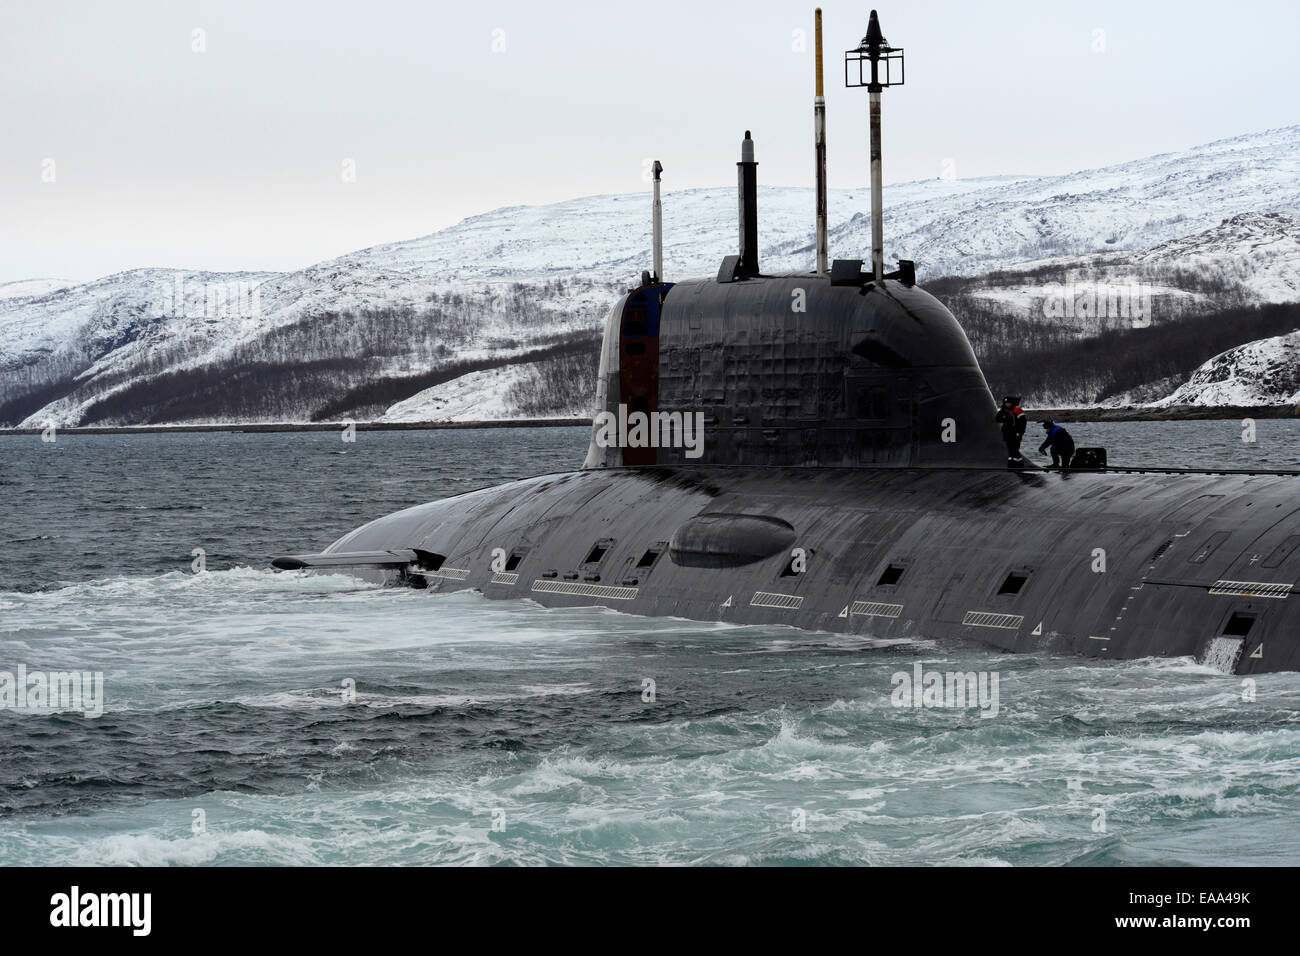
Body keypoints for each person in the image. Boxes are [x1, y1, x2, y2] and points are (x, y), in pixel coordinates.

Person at [995, 396, 1028, 467]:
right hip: (1007, 434)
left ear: (1012, 403)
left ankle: (1019, 464)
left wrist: (1020, 433)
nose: (1007, 404)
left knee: (1015, 449)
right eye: (1006, 403)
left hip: (1015, 434)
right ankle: (1011, 464)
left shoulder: (1017, 410)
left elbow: (1023, 423)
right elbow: (998, 419)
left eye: (1008, 403)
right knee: (1010, 449)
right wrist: (1002, 412)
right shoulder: (1004, 411)